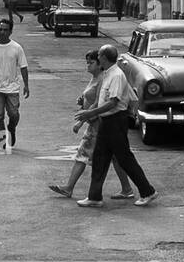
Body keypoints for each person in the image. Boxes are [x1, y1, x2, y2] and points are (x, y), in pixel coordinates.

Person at [74, 45, 157, 207]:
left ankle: (148, 191)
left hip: (116, 121)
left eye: (99, 55)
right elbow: (101, 100)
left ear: (104, 57)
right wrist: (88, 114)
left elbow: (113, 102)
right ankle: (94, 196)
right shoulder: (107, 74)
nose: (98, 58)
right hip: (106, 122)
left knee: (125, 158)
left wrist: (90, 114)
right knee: (100, 159)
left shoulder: (117, 75)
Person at [49, 50, 135, 199]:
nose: (88, 65)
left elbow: (101, 103)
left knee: (85, 155)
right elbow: (92, 98)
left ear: (100, 63)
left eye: (91, 62)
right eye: (87, 62)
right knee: (115, 157)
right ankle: (126, 188)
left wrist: (81, 121)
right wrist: (83, 102)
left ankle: (73, 189)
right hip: (98, 121)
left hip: (99, 123)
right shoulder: (97, 77)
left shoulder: (106, 77)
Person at [0, 18, 29, 148]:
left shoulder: (17, 48)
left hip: (12, 86)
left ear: (10, 32)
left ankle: (11, 128)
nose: (2, 32)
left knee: (13, 114)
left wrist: (26, 85)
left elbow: (23, 66)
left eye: (5, 30)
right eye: (0, 29)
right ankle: (2, 141)